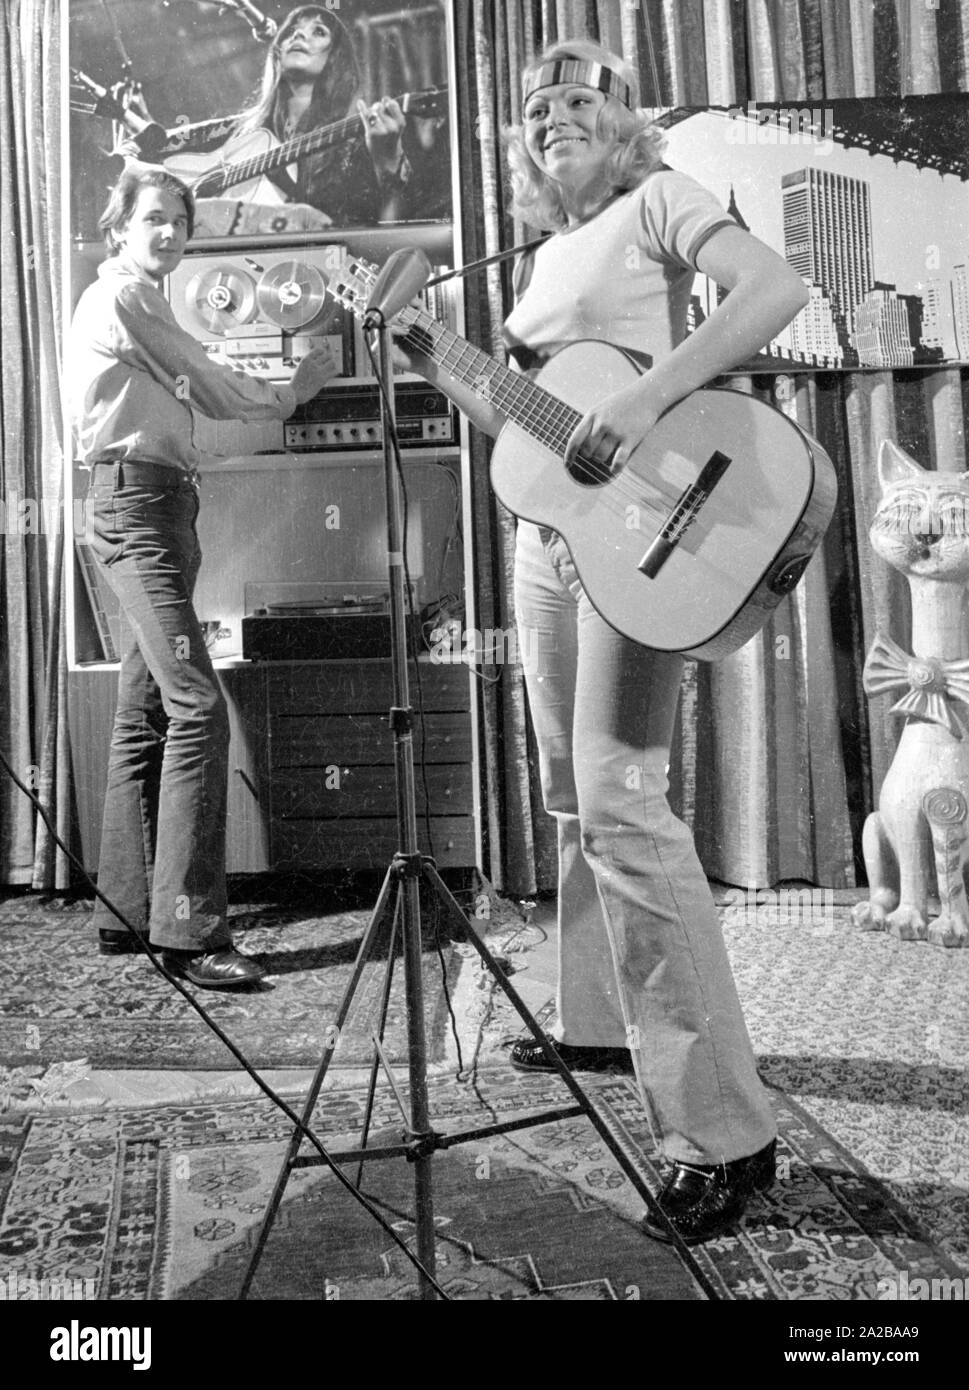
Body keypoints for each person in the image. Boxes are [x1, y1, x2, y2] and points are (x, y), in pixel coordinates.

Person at [396, 40, 810, 1245]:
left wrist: (638, 403)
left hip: (648, 539)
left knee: (628, 803)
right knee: (578, 796)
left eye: (582, 98)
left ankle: (721, 1134)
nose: (556, 114)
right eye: (537, 107)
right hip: (553, 545)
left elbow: (773, 291)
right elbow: (527, 421)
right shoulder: (538, 253)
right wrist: (435, 355)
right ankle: (597, 1023)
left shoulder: (659, 197)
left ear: (623, 122)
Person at [69, 164, 336, 989]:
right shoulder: (124, 297)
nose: (170, 234)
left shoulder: (135, 300)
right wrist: (292, 390)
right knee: (197, 708)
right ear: (119, 229)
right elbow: (211, 384)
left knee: (145, 704)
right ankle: (189, 932)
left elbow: (190, 380)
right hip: (133, 507)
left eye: (180, 223)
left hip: (158, 505)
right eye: (153, 220)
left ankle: (127, 912)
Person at [218, 4, 411, 227]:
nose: (298, 34)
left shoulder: (350, 141)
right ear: (277, 53)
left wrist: (387, 162)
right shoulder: (241, 131)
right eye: (290, 31)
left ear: (334, 58)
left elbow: (386, 229)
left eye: (318, 31)